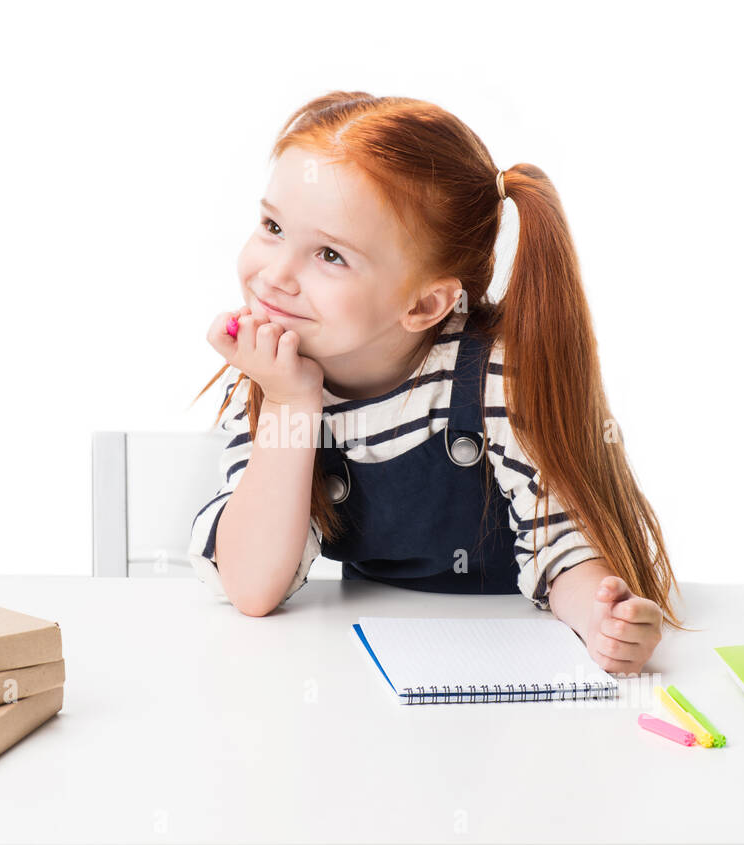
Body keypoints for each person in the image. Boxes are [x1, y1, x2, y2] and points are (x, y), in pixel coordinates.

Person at [187, 91, 688, 674]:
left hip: (510, 665)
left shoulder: (495, 374)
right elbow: (252, 586)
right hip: (373, 668)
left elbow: (564, 549)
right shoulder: (272, 377)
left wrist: (604, 618)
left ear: (426, 304)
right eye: (272, 225)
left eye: (329, 254)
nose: (273, 276)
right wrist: (289, 401)